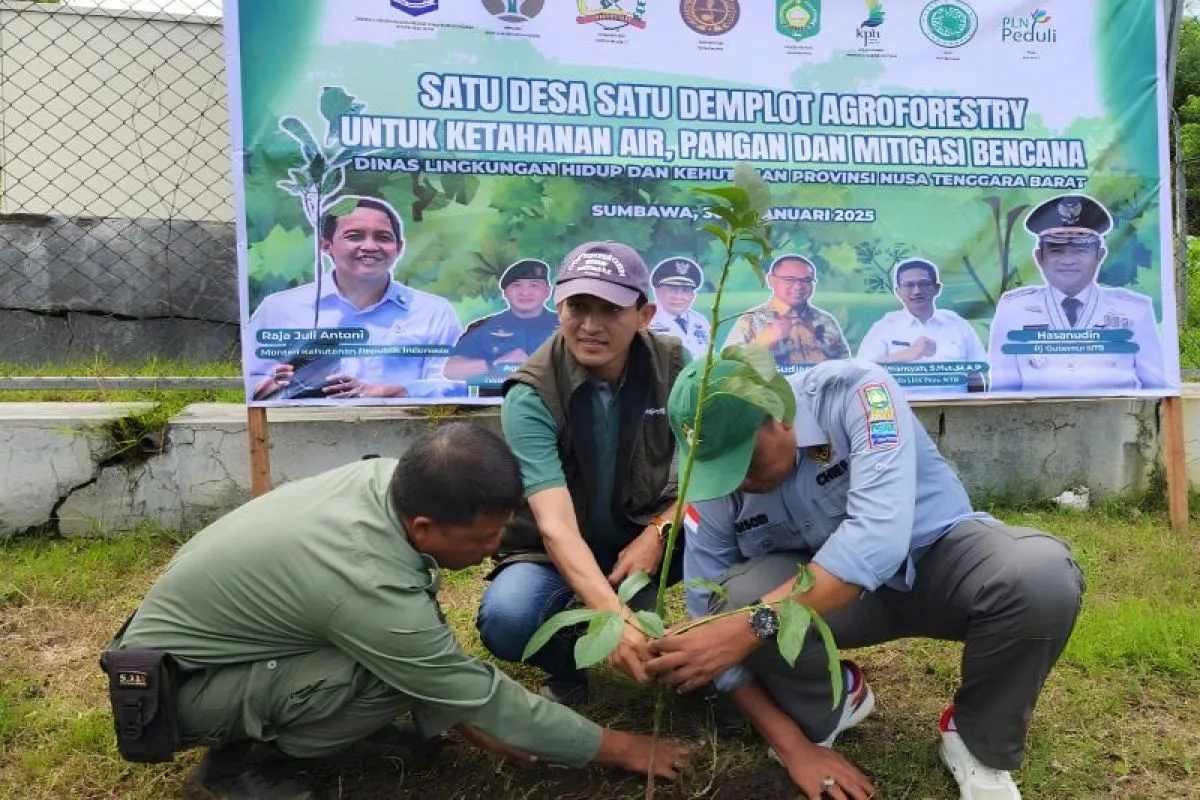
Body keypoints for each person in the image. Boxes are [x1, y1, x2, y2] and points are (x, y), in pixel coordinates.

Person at [106, 423, 693, 798]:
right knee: (387, 676)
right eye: (483, 538)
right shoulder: (363, 573)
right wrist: (625, 748)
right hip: (168, 693)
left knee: (407, 668)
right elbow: (467, 688)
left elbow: (430, 654)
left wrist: (461, 717)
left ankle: (317, 729)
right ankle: (234, 768)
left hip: (210, 656)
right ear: (425, 527)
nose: (494, 547)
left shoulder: (386, 482)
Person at [645, 355, 1085, 800]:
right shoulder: (713, 481)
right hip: (828, 603)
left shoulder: (858, 394)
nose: (736, 480)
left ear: (780, 414)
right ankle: (830, 706)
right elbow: (710, 626)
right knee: (730, 600)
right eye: (719, 467)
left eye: (744, 459)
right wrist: (796, 748)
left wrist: (753, 624)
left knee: (1039, 575)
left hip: (933, 562)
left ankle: (976, 739)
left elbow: (877, 540)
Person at [475, 240, 689, 707]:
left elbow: (708, 473)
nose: (591, 326)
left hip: (647, 531)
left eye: (610, 310)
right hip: (553, 552)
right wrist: (617, 619)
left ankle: (719, 670)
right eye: (578, 307)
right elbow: (555, 528)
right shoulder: (530, 394)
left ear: (645, 315)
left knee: (734, 551)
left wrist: (659, 530)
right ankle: (570, 660)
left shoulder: (674, 365)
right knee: (509, 617)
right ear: (559, 308)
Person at [245, 196, 463, 402]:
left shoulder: (433, 311)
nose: (370, 246)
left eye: (383, 237)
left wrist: (386, 392)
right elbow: (253, 383)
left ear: (399, 248)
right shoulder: (279, 308)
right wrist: (278, 384)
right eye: (354, 236)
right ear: (326, 245)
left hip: (404, 423)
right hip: (301, 424)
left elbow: (454, 385)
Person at [987, 193, 1167, 392]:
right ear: (1039, 257)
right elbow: (1002, 392)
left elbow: (1157, 389)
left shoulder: (1134, 310)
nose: (1068, 260)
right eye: (1056, 250)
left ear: (1100, 255)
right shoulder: (1013, 309)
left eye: (1080, 250)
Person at [857, 258, 989, 393]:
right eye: (909, 285)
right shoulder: (883, 328)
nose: (916, 291)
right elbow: (863, 373)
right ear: (898, 291)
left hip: (954, 406)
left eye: (924, 284)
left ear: (937, 288)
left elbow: (975, 376)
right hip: (903, 406)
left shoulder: (958, 326)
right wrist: (906, 354)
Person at [444, 259, 560, 398]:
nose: (525, 292)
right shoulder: (484, 327)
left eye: (534, 285)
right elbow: (451, 370)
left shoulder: (565, 326)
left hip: (552, 404)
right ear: (504, 292)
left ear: (548, 291)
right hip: (494, 405)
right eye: (516, 285)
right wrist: (496, 364)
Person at [723, 254, 850, 372]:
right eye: (789, 279)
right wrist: (768, 338)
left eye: (806, 280)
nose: (798, 286)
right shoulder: (752, 319)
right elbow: (729, 367)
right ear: (771, 281)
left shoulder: (825, 320)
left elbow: (846, 366)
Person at [648, 257, 711, 359]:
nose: (678, 296)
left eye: (685, 290)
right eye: (672, 289)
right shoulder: (646, 321)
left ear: (693, 295)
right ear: (657, 291)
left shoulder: (701, 321)